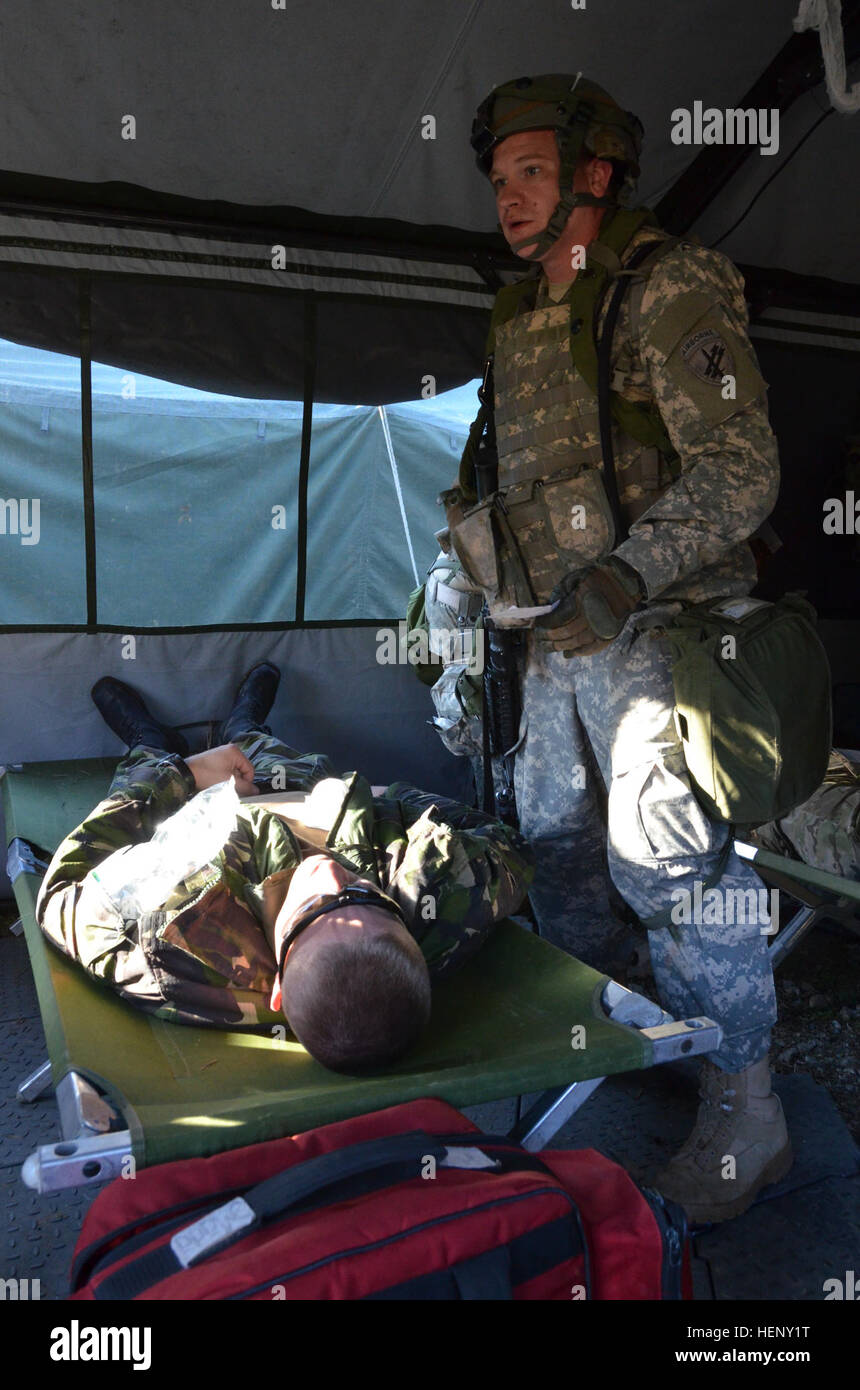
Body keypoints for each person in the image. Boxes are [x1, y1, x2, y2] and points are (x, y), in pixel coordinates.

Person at [440, 74, 790, 1222]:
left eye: (529, 173)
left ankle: (747, 1108)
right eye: (498, 181)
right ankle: (620, 1042)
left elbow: (743, 462)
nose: (507, 198)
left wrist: (631, 570)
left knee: (672, 870)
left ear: (594, 173)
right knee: (553, 850)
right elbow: (501, 490)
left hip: (655, 631)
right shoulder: (521, 315)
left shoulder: (666, 285)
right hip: (549, 646)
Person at [36, 663, 534, 1074]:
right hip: (309, 797)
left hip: (188, 817)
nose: (333, 876)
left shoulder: (171, 943)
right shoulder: (444, 900)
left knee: (145, 766)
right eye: (366, 896)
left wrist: (183, 775)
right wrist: (392, 801)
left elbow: (60, 894)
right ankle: (246, 727)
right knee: (267, 751)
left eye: (316, 911)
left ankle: (146, 739)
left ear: (278, 989)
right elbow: (508, 843)